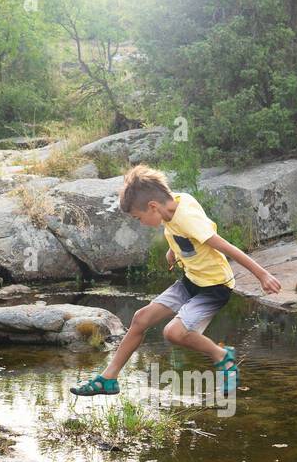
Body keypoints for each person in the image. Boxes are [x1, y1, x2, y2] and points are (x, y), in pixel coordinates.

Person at [71, 165, 282, 397]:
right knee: (140, 319)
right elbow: (175, 230)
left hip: (214, 287)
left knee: (173, 332)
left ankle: (222, 356)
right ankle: (108, 380)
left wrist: (262, 274)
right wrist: (174, 251)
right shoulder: (174, 204)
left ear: (152, 207)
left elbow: (225, 246)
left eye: (138, 218)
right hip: (191, 280)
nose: (140, 223)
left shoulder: (187, 218)